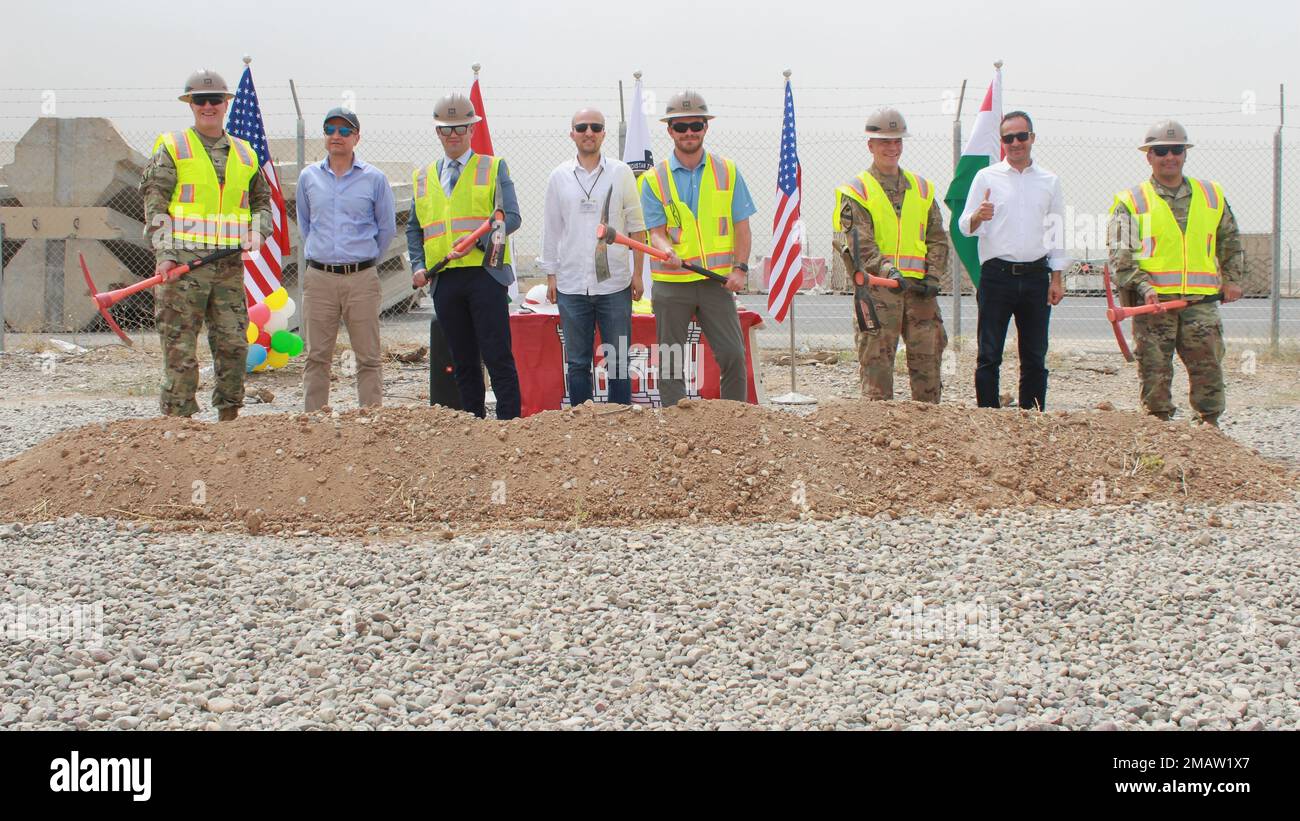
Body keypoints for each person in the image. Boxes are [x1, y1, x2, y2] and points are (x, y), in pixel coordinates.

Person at [140, 69, 271, 421]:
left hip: (227, 268)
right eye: (201, 100)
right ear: (191, 105)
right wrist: (165, 255)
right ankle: (179, 426)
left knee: (233, 345)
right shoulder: (173, 147)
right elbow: (156, 208)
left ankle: (228, 421)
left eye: (215, 100)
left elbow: (262, 202)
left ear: (226, 104)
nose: (208, 106)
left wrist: (259, 230)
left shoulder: (245, 154)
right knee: (180, 352)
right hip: (182, 269)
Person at [1107, 120, 1244, 426]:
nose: (1169, 156)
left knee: (1208, 368)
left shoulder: (1211, 195)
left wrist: (1233, 280)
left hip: (1201, 304)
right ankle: (1159, 432)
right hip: (1155, 305)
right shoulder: (1131, 202)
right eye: (1161, 151)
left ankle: (1209, 428)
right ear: (1149, 156)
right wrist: (1143, 287)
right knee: (1155, 373)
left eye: (1176, 150)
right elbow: (1121, 257)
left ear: (1185, 154)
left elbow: (1230, 242)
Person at [407, 92, 522, 420]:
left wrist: (480, 242)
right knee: (463, 359)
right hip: (444, 279)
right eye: (447, 129)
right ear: (438, 133)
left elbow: (510, 218)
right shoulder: (423, 177)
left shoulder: (493, 167)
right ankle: (471, 425)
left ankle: (509, 426)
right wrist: (418, 265)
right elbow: (415, 229)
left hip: (486, 275)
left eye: (460, 128)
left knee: (497, 356)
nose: (454, 135)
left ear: (472, 129)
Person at [639, 90, 755, 406]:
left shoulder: (727, 171)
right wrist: (666, 251)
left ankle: (735, 420)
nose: (689, 132)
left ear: (705, 127)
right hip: (671, 284)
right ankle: (677, 425)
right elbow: (656, 232)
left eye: (695, 124)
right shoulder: (653, 179)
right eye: (681, 126)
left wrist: (740, 268)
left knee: (732, 354)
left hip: (715, 283)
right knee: (671, 362)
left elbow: (741, 227)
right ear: (670, 130)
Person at [832, 107, 948, 402]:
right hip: (879, 293)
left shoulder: (922, 188)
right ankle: (878, 436)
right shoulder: (856, 190)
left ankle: (929, 434)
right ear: (870, 145)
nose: (892, 147)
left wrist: (933, 275)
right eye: (885, 141)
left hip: (920, 292)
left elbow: (937, 238)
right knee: (877, 371)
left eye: (897, 141)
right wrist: (890, 274)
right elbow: (862, 245)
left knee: (928, 368)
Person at [958, 110, 1067, 411]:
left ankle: (1031, 418)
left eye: (1022, 136)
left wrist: (1056, 278)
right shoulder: (986, 177)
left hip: (1035, 277)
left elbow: (1056, 231)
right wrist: (979, 216)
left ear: (1032, 138)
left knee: (1034, 355)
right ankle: (989, 419)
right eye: (1009, 138)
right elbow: (963, 226)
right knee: (989, 354)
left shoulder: (1049, 181)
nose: (1016, 143)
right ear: (1002, 142)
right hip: (997, 276)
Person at [539, 108, 646, 406]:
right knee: (577, 364)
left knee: (619, 363)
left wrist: (638, 275)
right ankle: (584, 429)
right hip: (572, 285)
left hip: (615, 285)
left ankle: (620, 423)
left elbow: (637, 227)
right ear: (571, 132)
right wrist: (551, 275)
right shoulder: (559, 177)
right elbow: (551, 228)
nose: (589, 132)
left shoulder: (621, 172)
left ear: (604, 133)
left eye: (595, 127)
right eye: (582, 127)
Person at [297, 107, 396, 412]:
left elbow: (386, 228)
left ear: (356, 137)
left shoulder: (374, 179)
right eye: (330, 129)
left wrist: (363, 262)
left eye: (344, 131)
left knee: (367, 356)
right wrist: (324, 255)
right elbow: (305, 225)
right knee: (317, 356)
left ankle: (371, 421)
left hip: (361, 279)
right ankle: (314, 423)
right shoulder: (308, 177)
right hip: (320, 278)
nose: (336, 136)